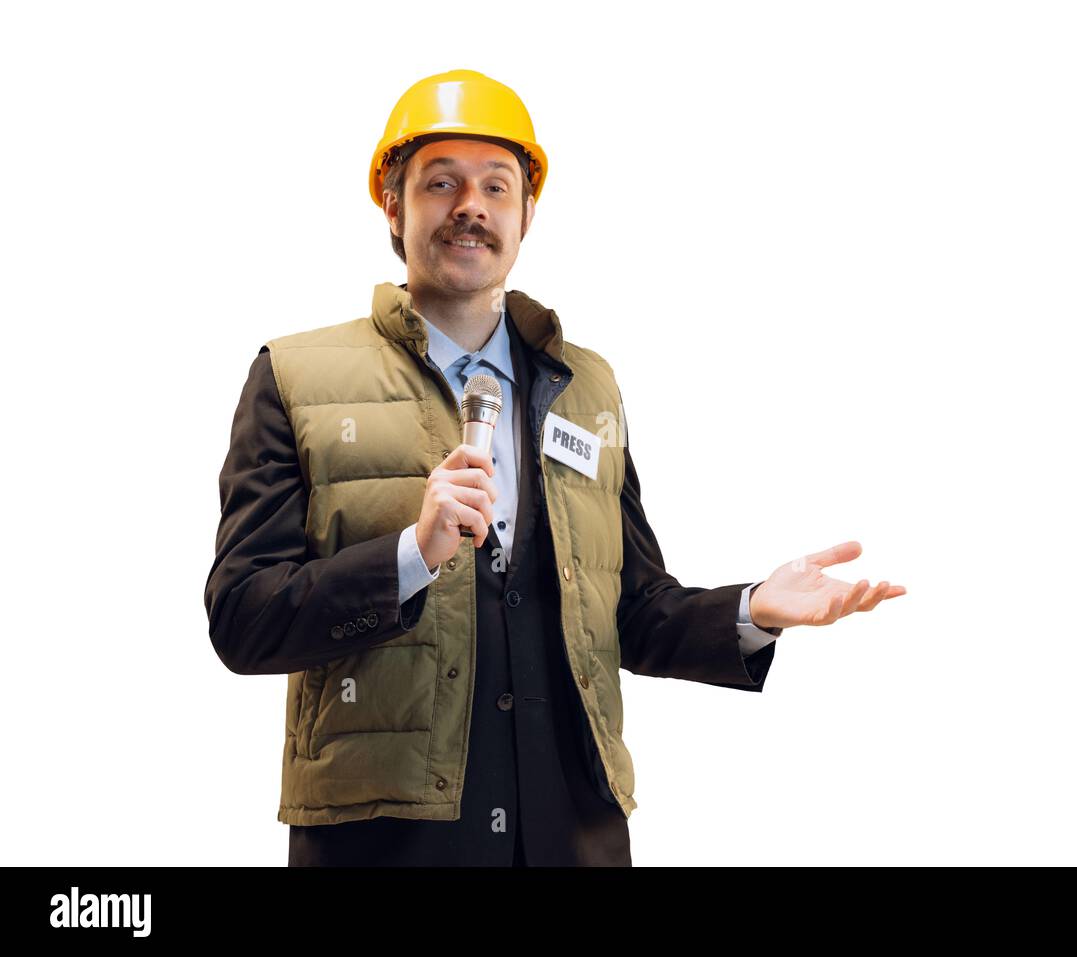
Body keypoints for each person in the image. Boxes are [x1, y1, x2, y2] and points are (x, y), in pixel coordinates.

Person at [204, 68, 906, 867]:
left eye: (496, 186)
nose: (471, 204)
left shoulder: (587, 386)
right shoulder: (295, 378)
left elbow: (633, 611)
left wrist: (752, 609)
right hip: (384, 843)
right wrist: (411, 556)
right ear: (393, 207)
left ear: (526, 213)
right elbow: (242, 619)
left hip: (572, 832)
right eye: (442, 183)